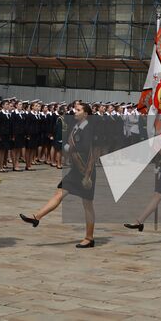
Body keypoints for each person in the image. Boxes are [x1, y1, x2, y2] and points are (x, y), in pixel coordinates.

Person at [20, 99, 98, 247]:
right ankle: (36, 217)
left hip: (85, 171)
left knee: (87, 205)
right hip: (75, 170)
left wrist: (69, 150)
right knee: (59, 193)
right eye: (75, 109)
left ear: (86, 114)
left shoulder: (88, 128)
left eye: (79, 110)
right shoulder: (78, 126)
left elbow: (88, 150)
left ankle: (89, 238)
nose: (75, 111)